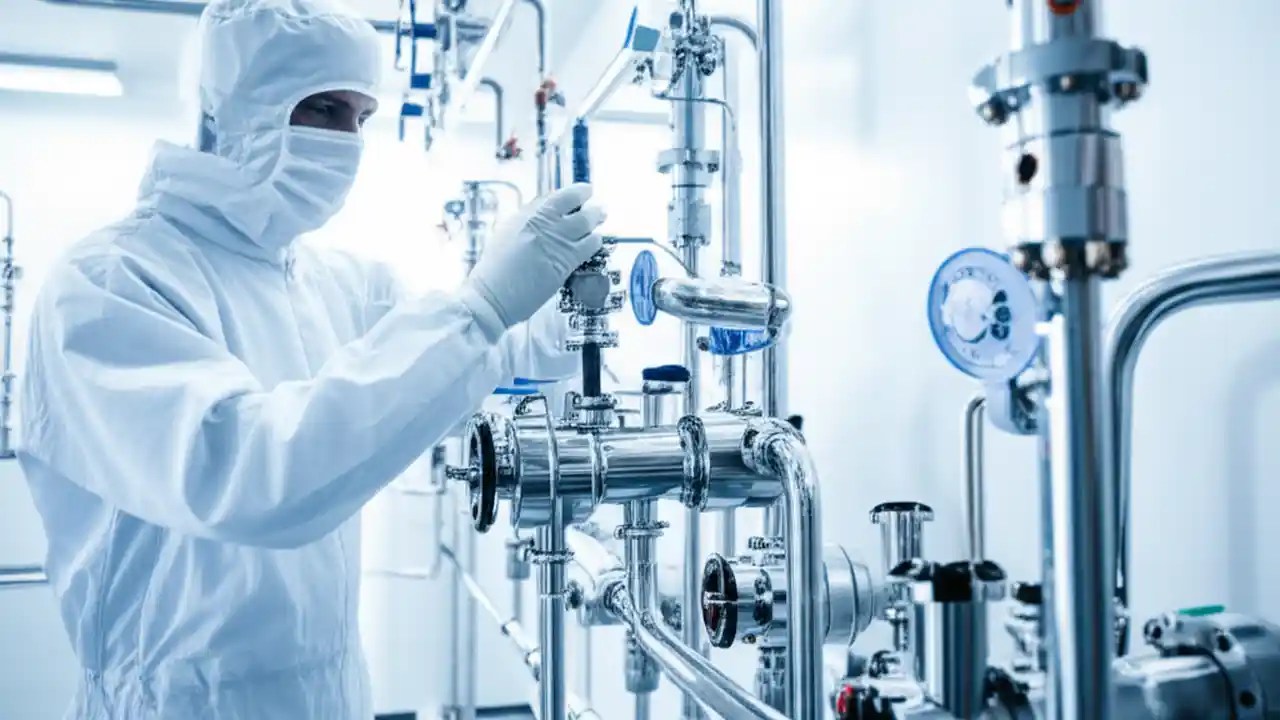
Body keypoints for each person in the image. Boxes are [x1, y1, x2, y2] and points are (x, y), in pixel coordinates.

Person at [16, 0, 606, 716]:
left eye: (361, 118)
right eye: (324, 109)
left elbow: (468, 370)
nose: (348, 142)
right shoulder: (112, 281)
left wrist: (568, 323)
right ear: (235, 107)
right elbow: (248, 474)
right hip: (178, 704)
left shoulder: (337, 281)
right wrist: (481, 305)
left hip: (329, 689)